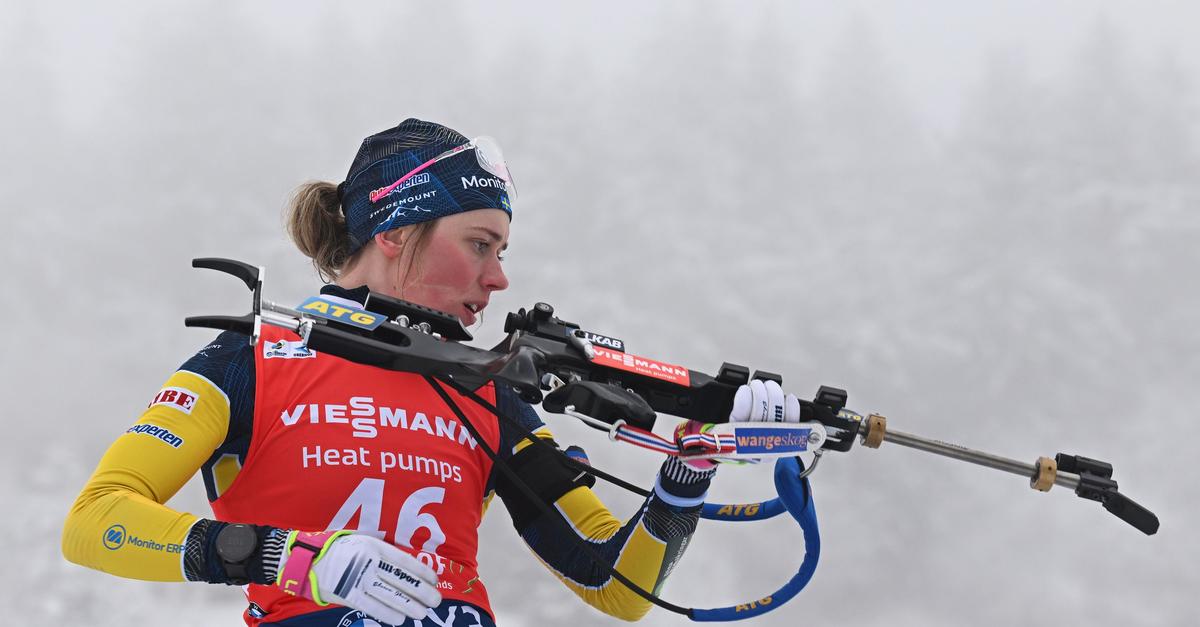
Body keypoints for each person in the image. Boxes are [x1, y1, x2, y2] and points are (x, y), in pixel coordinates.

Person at [62, 118, 800, 626]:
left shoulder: (483, 387)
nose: (499, 277)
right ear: (393, 229)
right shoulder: (252, 359)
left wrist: (688, 474)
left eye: (503, 250)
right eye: (480, 244)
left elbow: (616, 583)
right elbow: (98, 522)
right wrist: (288, 556)